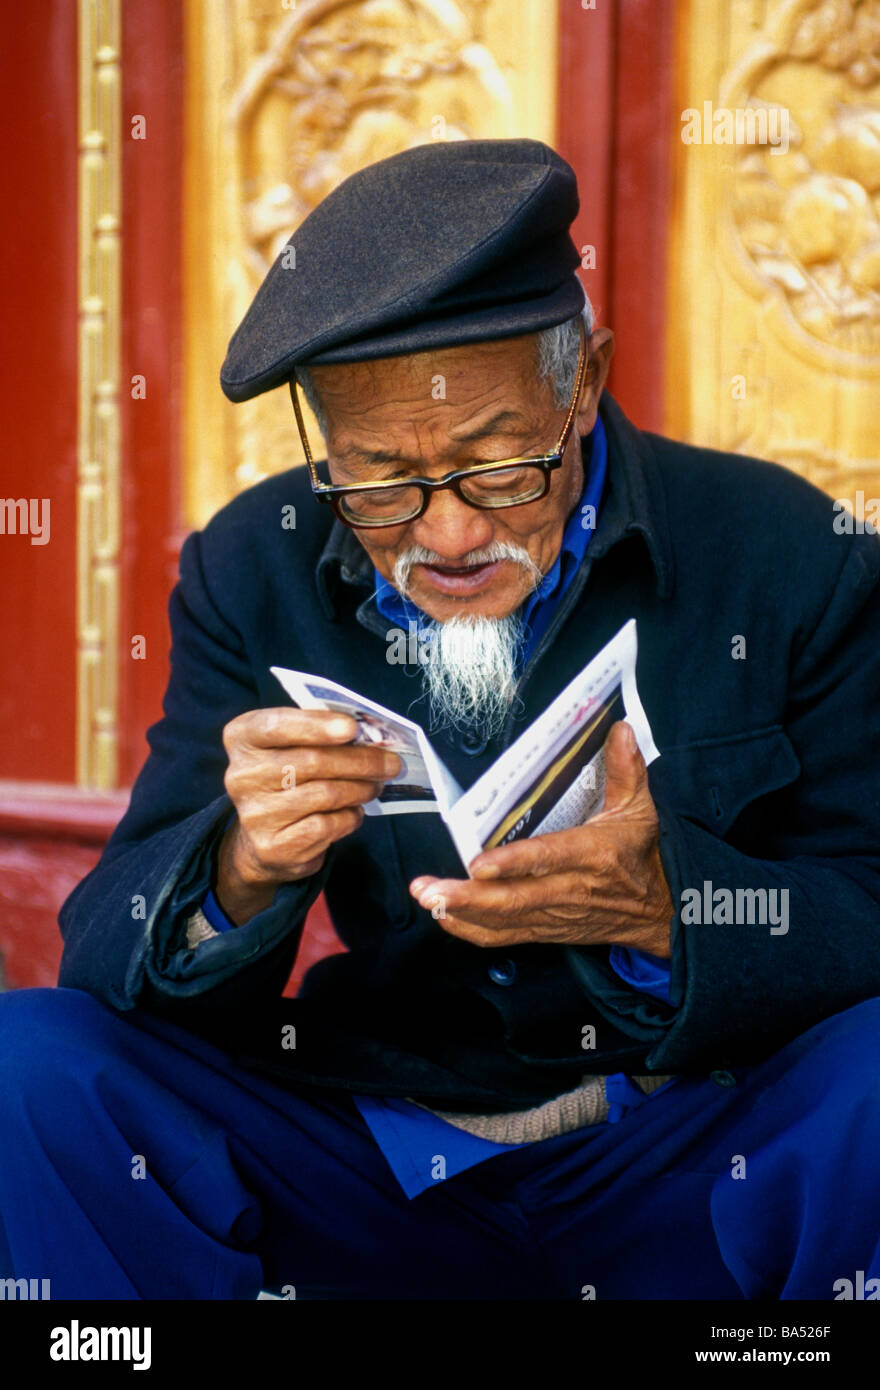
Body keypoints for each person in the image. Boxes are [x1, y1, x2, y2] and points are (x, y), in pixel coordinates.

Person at [2, 139, 880, 1301]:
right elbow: (103, 953)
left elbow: (865, 908)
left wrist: (675, 910)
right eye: (378, 481)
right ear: (323, 445)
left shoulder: (782, 554)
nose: (450, 535)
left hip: (685, 1157)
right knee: (36, 1067)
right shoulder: (247, 569)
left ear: (586, 382)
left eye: (497, 464)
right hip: (370, 1160)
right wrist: (240, 867)